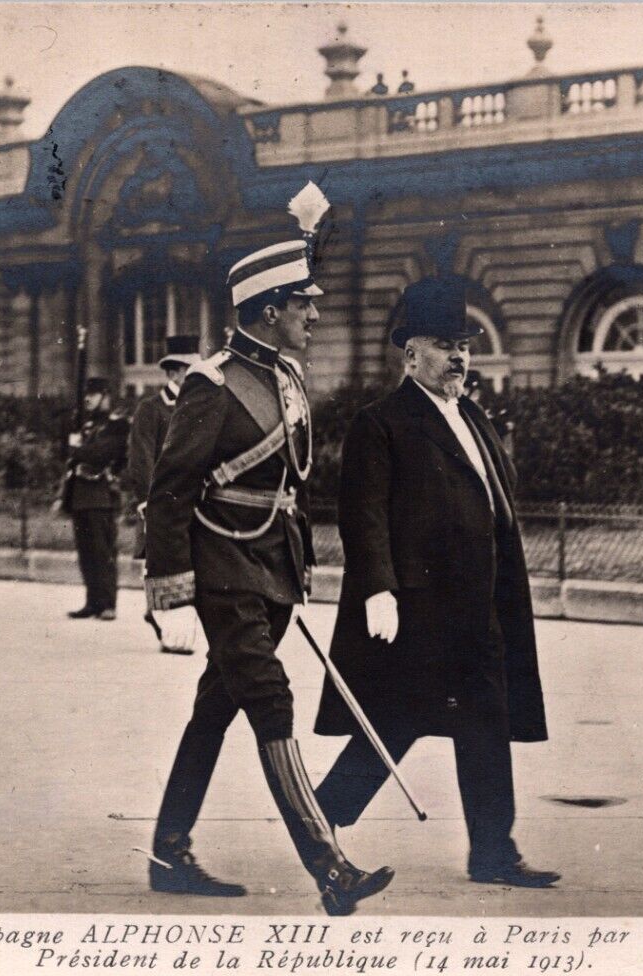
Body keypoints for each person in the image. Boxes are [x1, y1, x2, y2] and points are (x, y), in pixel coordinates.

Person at [143, 210, 393, 916]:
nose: (314, 315)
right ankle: (330, 866)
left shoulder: (285, 377)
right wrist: (172, 596)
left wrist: (298, 568)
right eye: (303, 305)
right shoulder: (210, 384)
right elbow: (170, 491)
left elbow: (294, 485)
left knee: (214, 710)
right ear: (270, 308)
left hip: (272, 570)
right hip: (224, 570)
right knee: (272, 701)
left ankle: (169, 851)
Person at [313, 276, 558, 889]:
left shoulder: (472, 417)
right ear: (410, 354)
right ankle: (318, 818)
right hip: (420, 608)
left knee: (485, 722)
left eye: (466, 346)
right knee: (395, 718)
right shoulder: (384, 423)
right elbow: (362, 512)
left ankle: (493, 853)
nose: (460, 357)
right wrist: (376, 588)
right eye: (445, 345)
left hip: (481, 607)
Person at [124, 334, 199, 650]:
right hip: (161, 502)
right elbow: (141, 458)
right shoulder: (151, 409)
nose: (193, 377)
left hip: (193, 500)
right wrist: (146, 501)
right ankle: (168, 626)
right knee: (159, 561)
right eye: (187, 371)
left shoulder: (199, 405)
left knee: (188, 562)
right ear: (172, 373)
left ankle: (163, 615)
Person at [59, 379, 129, 620]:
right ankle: (92, 601)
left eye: (93, 393)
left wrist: (77, 450)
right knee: (86, 552)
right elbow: (68, 453)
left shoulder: (117, 425)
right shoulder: (85, 426)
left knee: (103, 551)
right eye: (86, 393)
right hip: (80, 495)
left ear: (105, 396)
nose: (87, 398)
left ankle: (108, 603)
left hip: (101, 495)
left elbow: (102, 454)